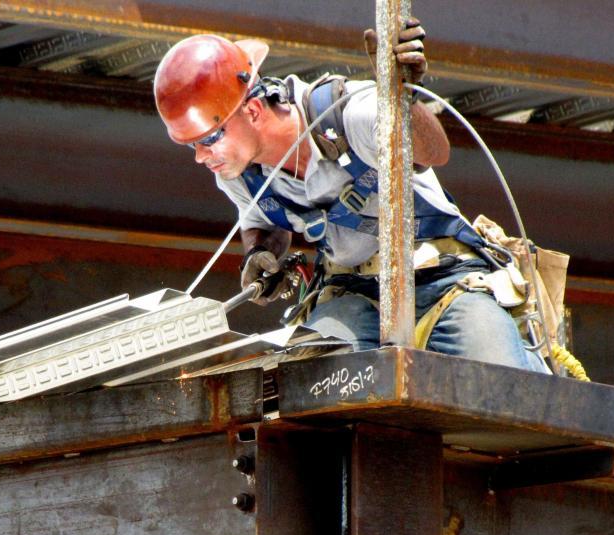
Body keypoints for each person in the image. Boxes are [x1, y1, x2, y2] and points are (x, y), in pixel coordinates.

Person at [152, 21, 545, 371]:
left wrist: (401, 98)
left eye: (209, 139)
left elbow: (434, 152)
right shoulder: (239, 175)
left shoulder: (350, 115)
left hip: (443, 280)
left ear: (253, 111)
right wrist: (261, 252)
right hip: (352, 294)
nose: (202, 157)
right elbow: (265, 222)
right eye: (192, 147)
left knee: (501, 385)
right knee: (314, 386)